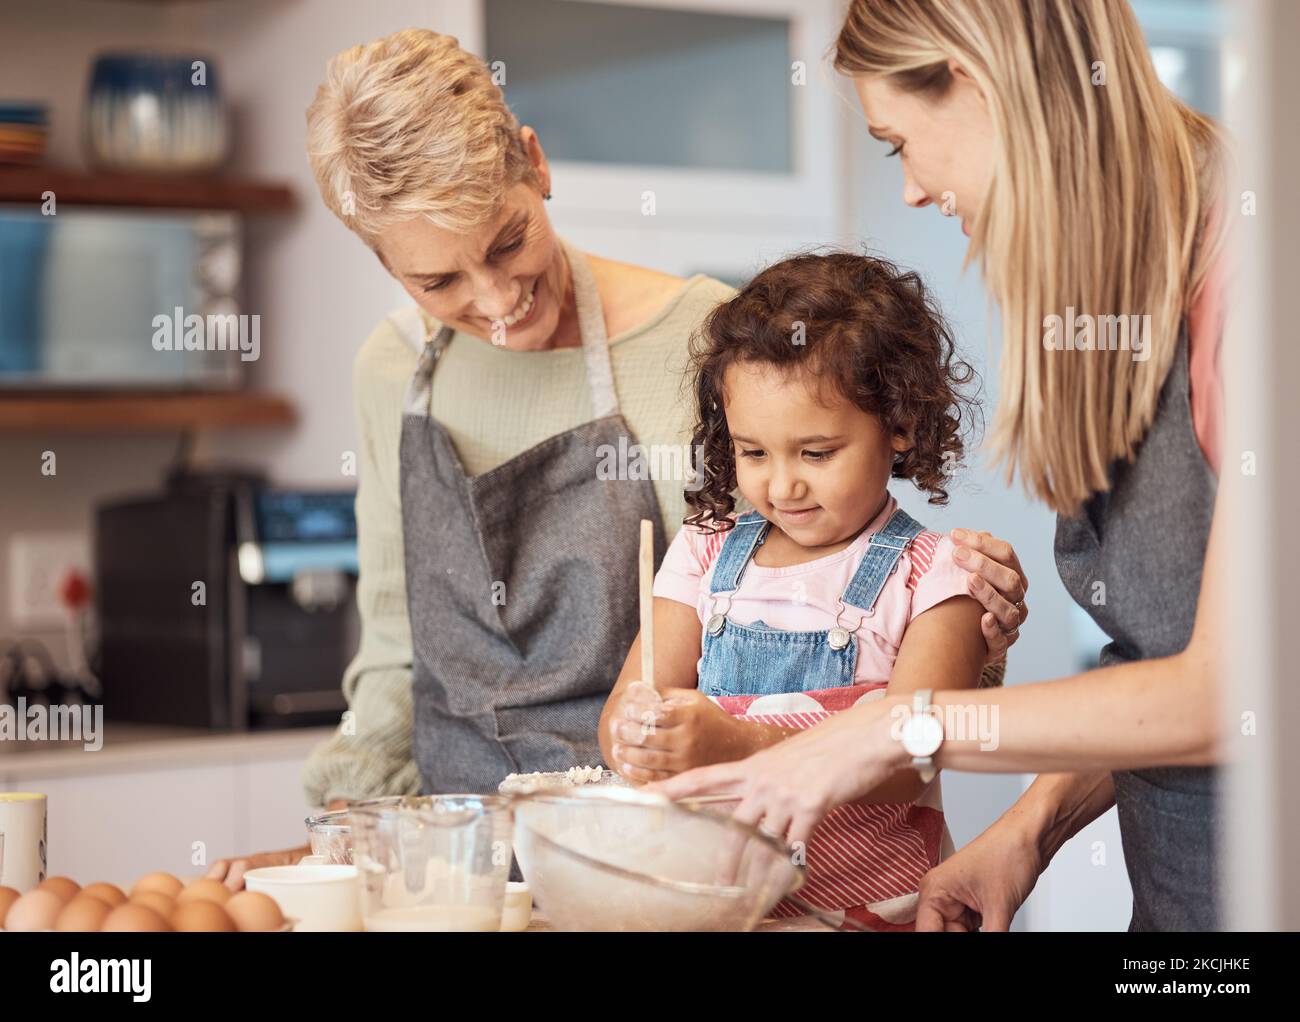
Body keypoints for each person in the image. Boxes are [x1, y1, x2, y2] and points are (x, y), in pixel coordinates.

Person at [206, 27, 1031, 890]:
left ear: (535, 165)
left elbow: (812, 593)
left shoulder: (700, 337)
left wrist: (968, 623)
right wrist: (348, 845)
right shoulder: (390, 372)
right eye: (437, 283)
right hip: (455, 860)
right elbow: (390, 653)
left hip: (651, 859)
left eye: (505, 243)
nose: (494, 302)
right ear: (384, 263)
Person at [657, 0, 1231, 933]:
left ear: (979, 80)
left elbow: (1232, 689)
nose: (914, 190)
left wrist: (899, 722)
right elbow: (1158, 667)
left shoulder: (1257, 268)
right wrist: (1028, 831)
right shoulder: (1138, 278)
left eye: (896, 143)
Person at [601, 252, 995, 930]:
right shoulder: (703, 550)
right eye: (754, 452)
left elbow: (911, 756)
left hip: (876, 914)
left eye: (816, 453)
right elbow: (622, 717)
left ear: (899, 424)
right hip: (725, 912)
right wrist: (637, 737)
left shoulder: (936, 574)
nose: (782, 486)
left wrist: (734, 742)